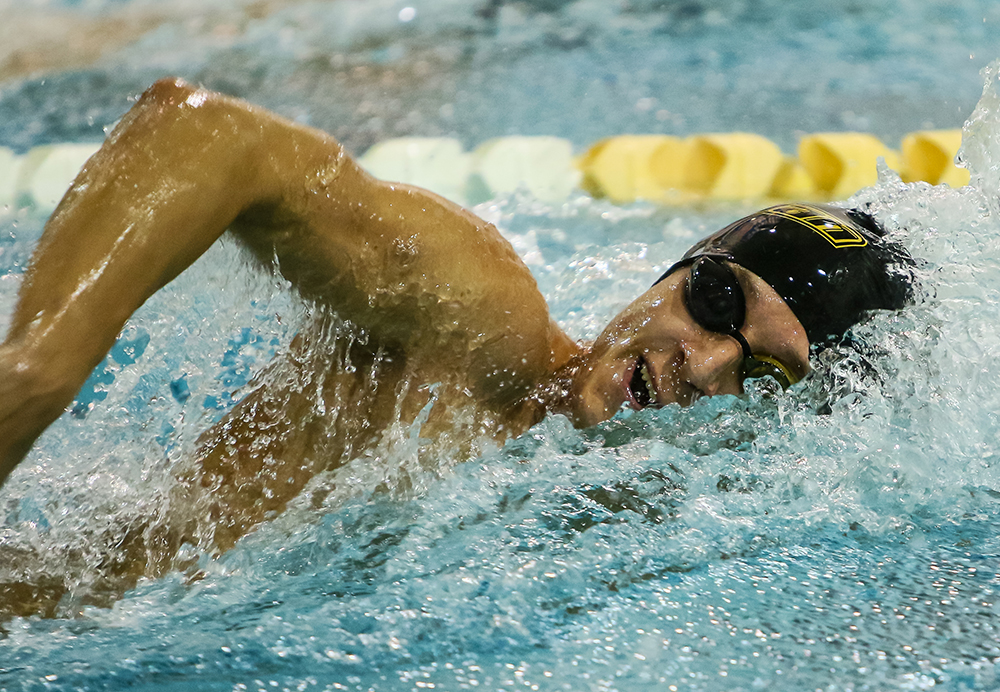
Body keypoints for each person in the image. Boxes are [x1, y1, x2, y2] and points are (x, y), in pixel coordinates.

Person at [0, 79, 913, 611]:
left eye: (760, 377)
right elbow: (208, 130)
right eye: (717, 299)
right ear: (674, 270)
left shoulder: (670, 536)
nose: (703, 363)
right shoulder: (477, 324)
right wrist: (38, 369)